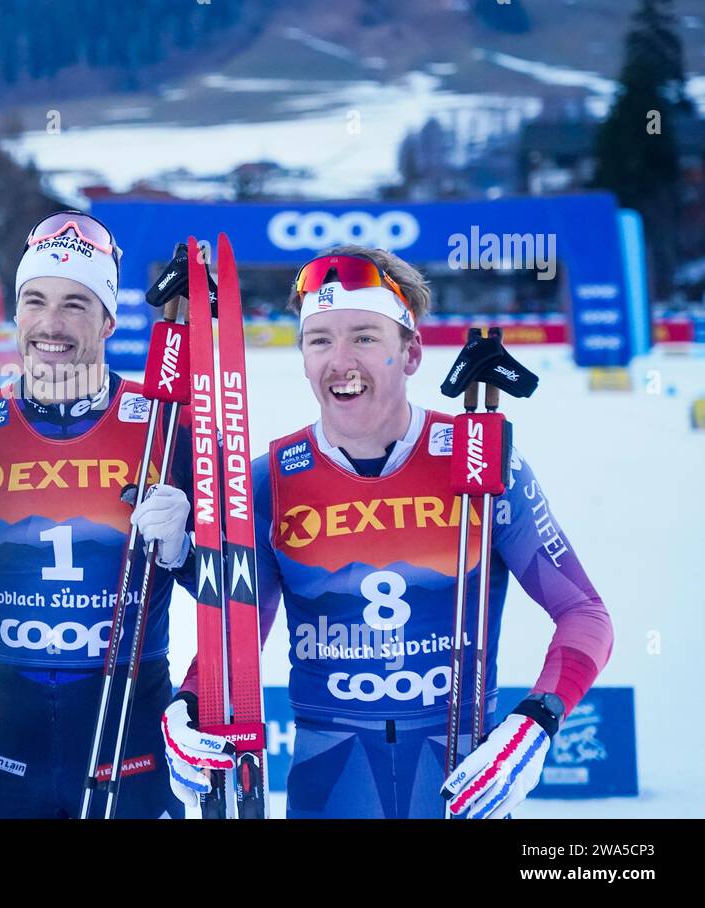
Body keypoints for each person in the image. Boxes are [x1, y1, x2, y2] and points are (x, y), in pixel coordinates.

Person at [162, 246, 613, 819]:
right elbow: (238, 632)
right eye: (320, 339)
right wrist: (191, 700)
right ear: (302, 356)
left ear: (411, 352)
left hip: (457, 767)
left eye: (365, 337)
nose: (340, 360)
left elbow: (585, 614)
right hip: (330, 772)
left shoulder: (480, 461)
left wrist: (535, 723)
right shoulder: (268, 481)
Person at [0, 210, 194, 818]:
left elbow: (229, 599)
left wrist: (183, 547)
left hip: (132, 741)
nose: (52, 324)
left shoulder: (162, 428)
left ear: (108, 320)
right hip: (2, 746)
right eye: (36, 300)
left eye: (76, 304)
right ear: (15, 314)